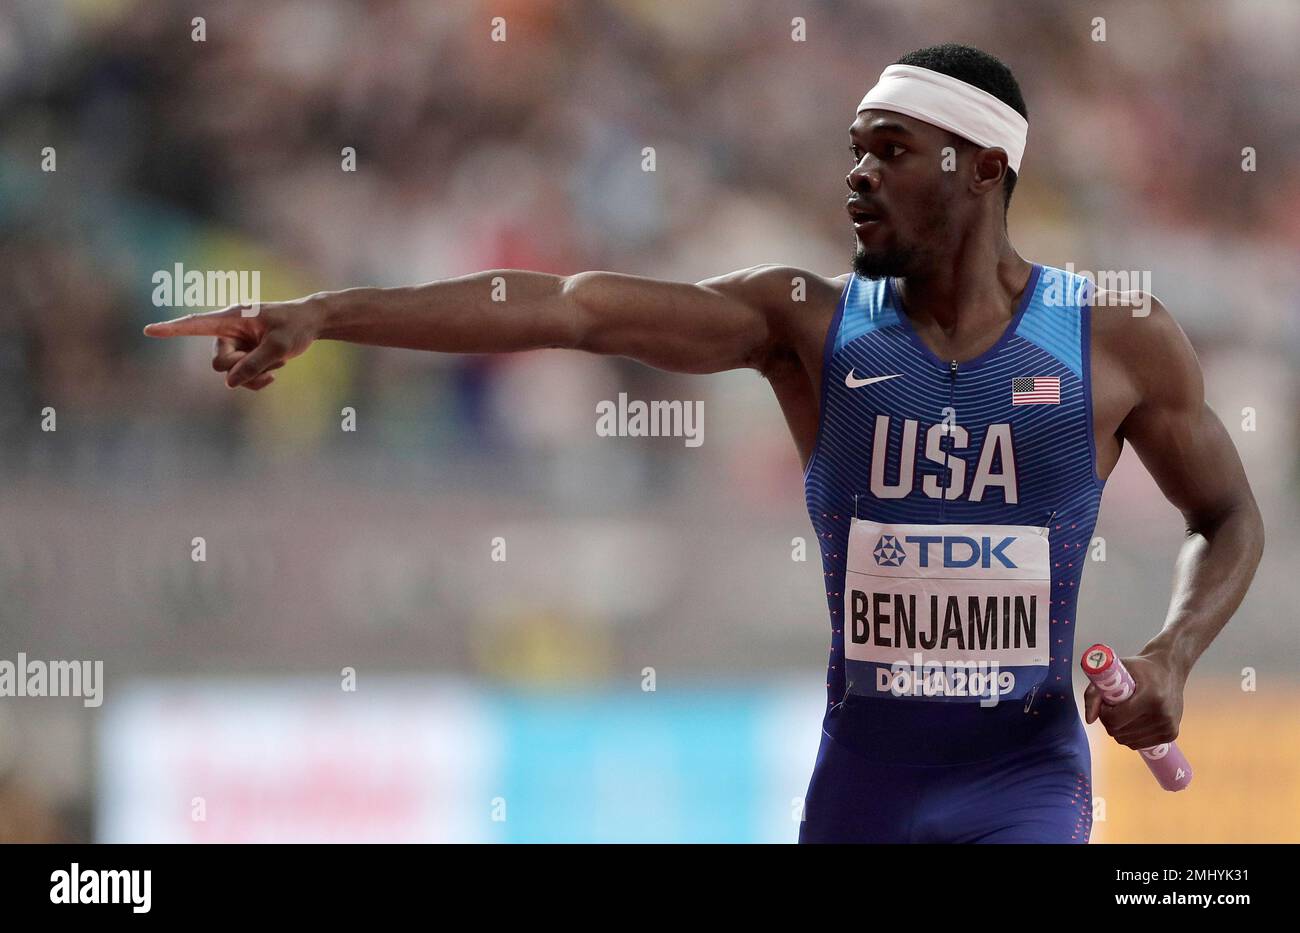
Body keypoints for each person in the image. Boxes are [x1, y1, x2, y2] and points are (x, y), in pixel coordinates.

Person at [145, 44, 1265, 843]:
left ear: (981, 168)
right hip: (861, 791)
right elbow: (569, 307)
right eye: (850, 149)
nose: (854, 175)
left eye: (888, 149)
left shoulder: (1112, 337)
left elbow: (1226, 518)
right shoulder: (806, 320)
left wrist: (1171, 653)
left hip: (1021, 782)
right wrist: (329, 312)